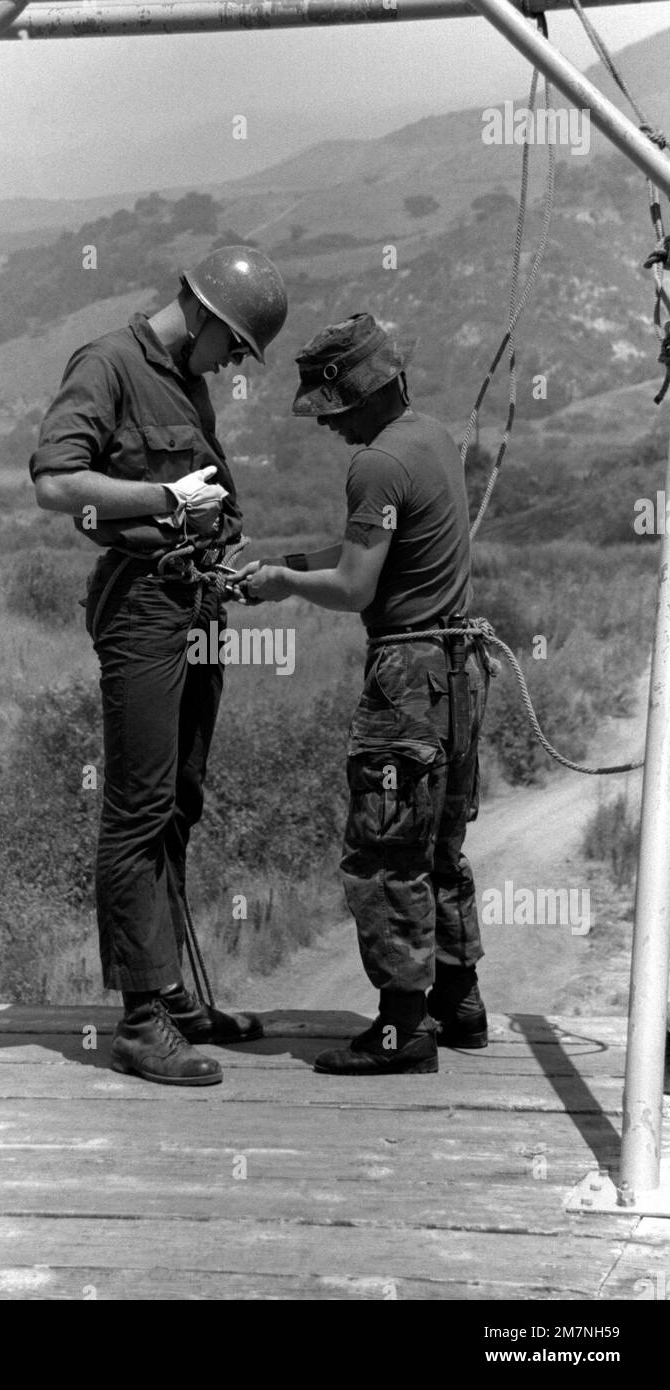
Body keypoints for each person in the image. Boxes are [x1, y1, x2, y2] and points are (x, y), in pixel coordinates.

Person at [29, 246, 288, 1087]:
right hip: (142, 603)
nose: (234, 365)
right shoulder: (105, 364)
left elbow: (206, 484)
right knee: (138, 807)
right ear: (207, 315)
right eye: (235, 347)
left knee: (178, 801)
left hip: (193, 600)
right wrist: (164, 501)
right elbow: (57, 484)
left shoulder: (187, 378)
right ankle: (138, 1021)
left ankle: (171, 991)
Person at [242, 312, 492, 1076]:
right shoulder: (433, 439)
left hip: (406, 678)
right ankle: (458, 1004)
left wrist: (282, 582)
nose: (329, 428)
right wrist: (280, 561)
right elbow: (375, 549)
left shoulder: (376, 463)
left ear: (364, 393)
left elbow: (355, 586)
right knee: (440, 846)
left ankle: (401, 1030)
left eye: (334, 409)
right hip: (457, 669)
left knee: (385, 853)